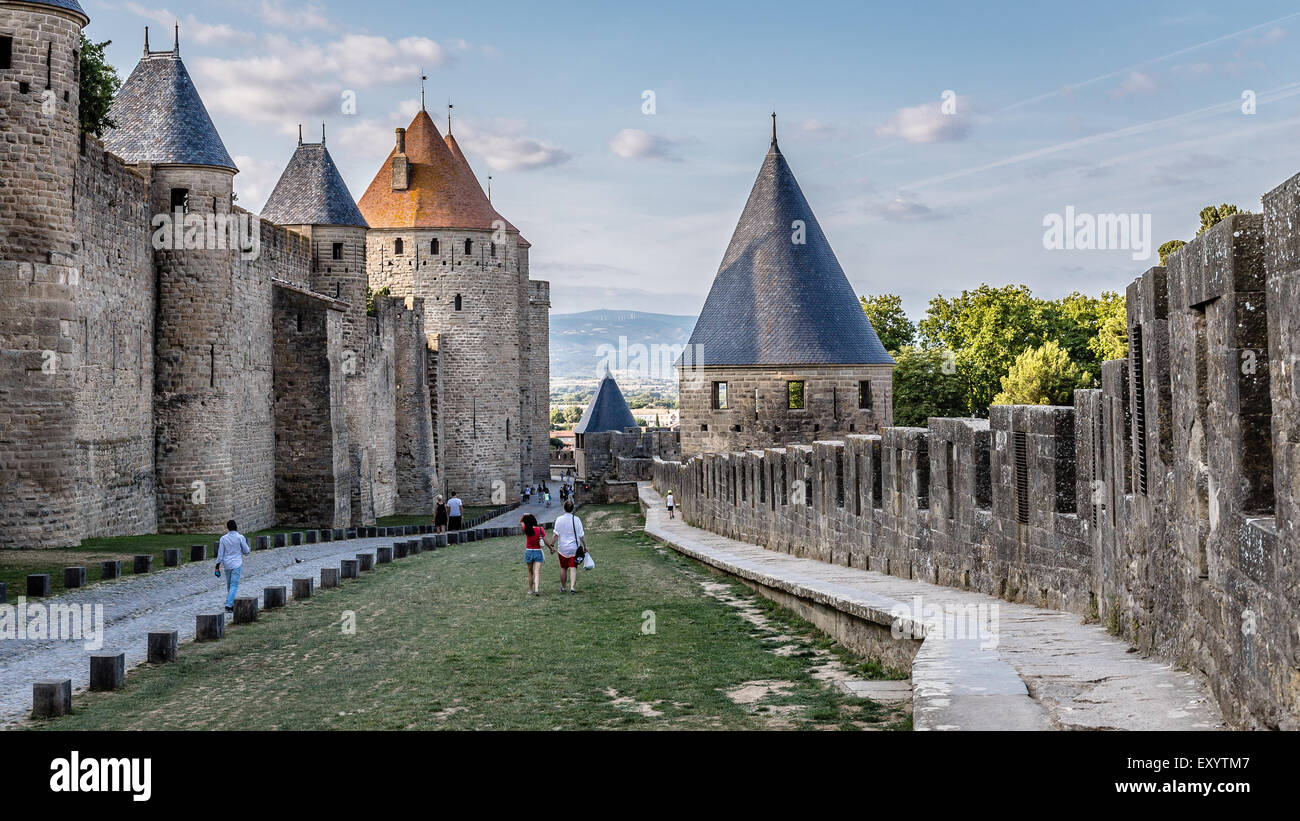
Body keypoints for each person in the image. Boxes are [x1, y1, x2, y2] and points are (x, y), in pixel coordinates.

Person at [215, 520, 251, 613]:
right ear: (236, 527)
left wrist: (217, 566)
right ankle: (228, 605)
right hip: (236, 563)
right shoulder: (240, 537)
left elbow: (220, 553)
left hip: (227, 564)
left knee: (229, 585)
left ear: (228, 528)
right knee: (234, 585)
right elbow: (246, 551)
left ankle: (230, 603)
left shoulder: (223, 538)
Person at [553, 499, 587, 594]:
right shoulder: (577, 520)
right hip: (574, 549)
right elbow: (581, 535)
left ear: (564, 508)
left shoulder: (559, 519)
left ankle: (563, 587)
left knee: (563, 568)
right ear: (572, 509)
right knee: (573, 568)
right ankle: (572, 587)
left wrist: (552, 545)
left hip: (563, 548)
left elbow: (555, 535)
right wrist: (585, 545)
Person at [520, 513, 549, 596]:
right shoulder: (540, 529)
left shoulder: (526, 529)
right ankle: (536, 589)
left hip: (528, 552)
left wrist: (524, 514)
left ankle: (530, 590)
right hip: (538, 552)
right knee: (537, 572)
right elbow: (545, 541)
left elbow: (521, 521)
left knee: (530, 572)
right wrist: (550, 548)